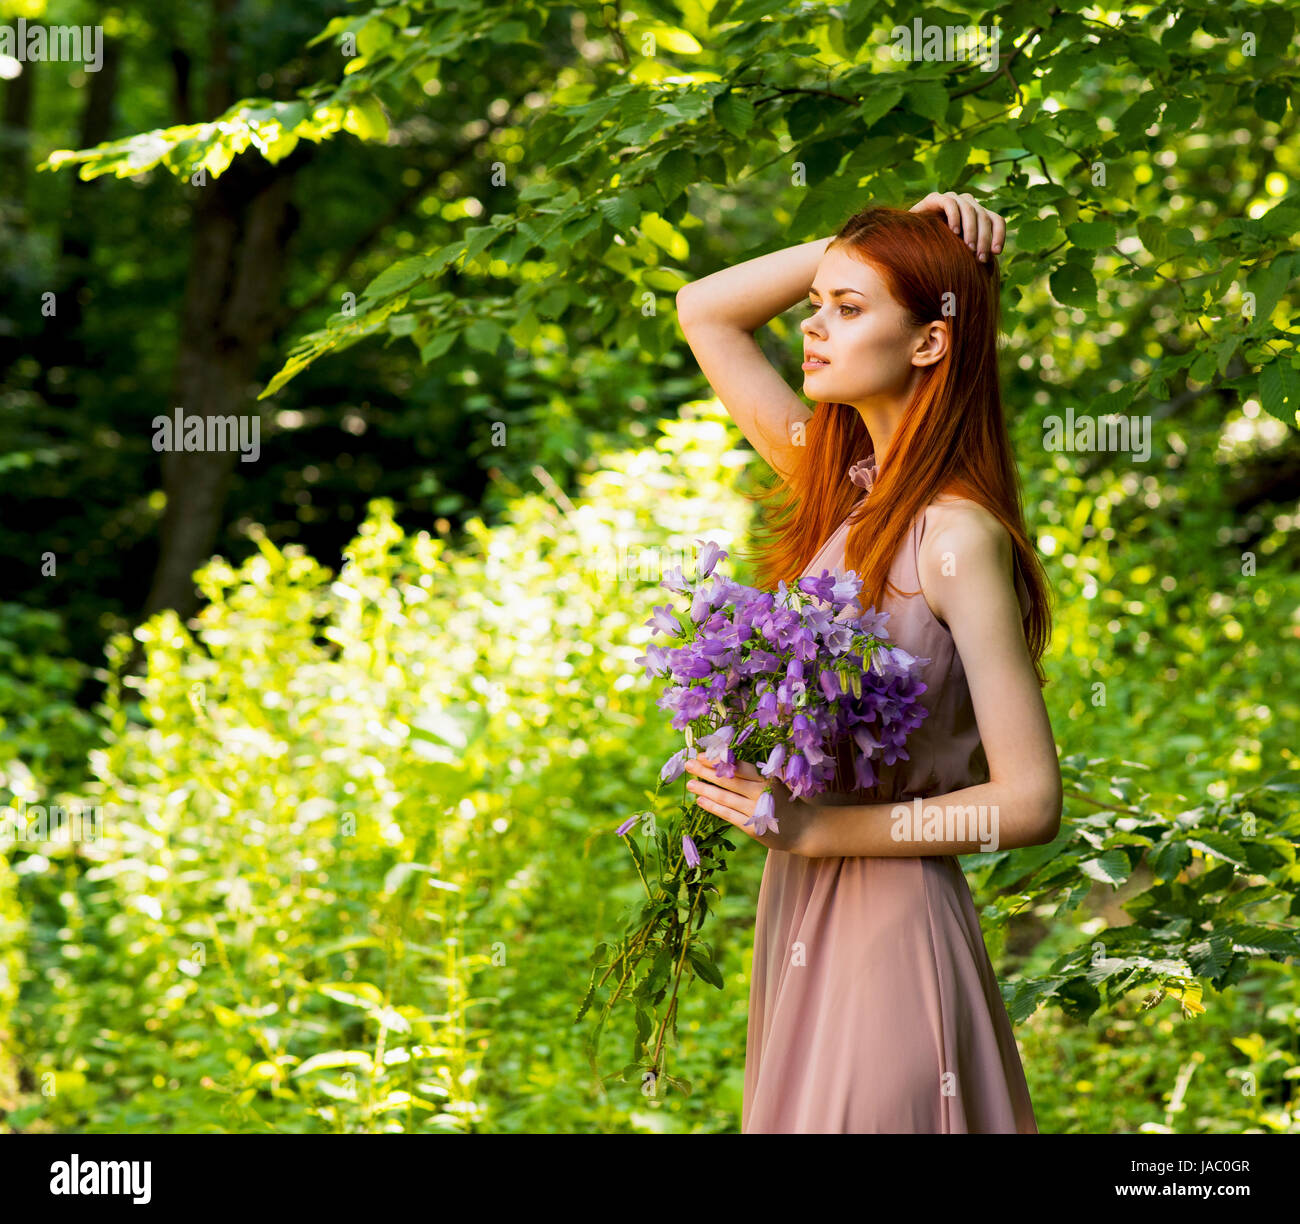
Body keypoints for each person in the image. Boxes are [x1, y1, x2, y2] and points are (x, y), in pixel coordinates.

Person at [673, 191, 1061, 1134]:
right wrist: (887, 246)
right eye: (817, 302)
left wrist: (814, 833)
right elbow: (704, 309)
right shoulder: (839, 486)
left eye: (850, 310)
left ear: (929, 342)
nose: (813, 325)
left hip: (890, 920)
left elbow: (1030, 802)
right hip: (802, 910)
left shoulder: (955, 533)